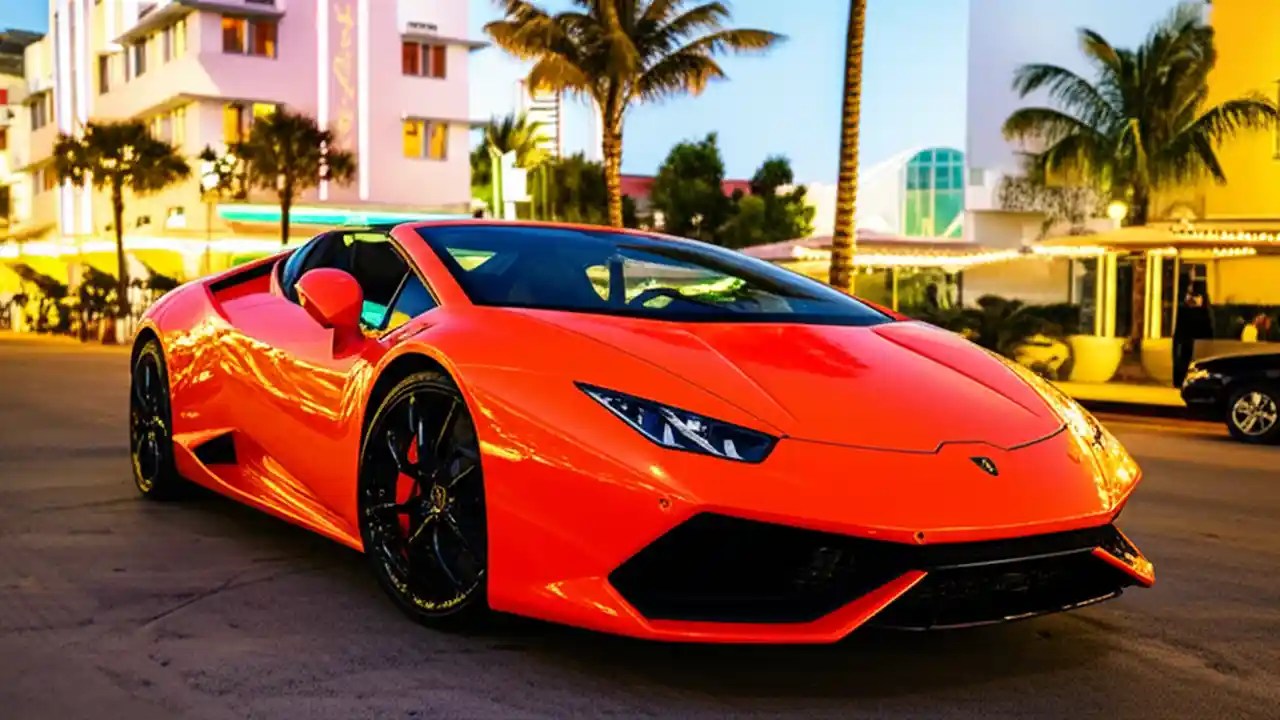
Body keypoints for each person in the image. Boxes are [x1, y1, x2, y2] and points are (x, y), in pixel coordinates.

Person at [1171, 288, 1214, 387]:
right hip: (1188, 342)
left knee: (1195, 364)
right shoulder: (1186, 312)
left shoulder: (1202, 312)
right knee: (1184, 363)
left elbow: (1208, 329)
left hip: (1196, 342)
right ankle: (1181, 381)